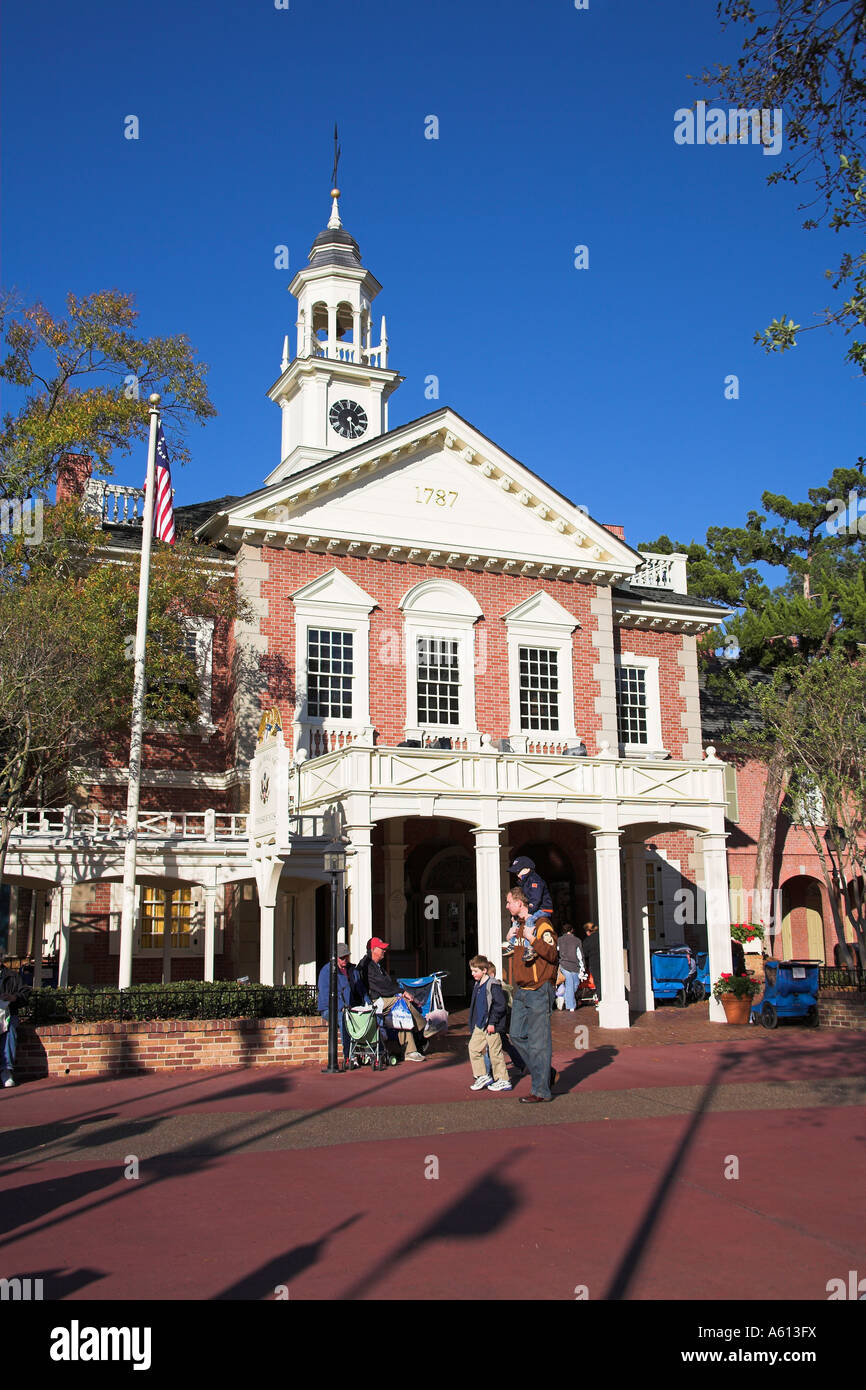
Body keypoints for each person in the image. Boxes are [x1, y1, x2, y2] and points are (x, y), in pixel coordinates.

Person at [506, 887, 559, 1103]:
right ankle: (545, 1072)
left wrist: (533, 939)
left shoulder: (541, 925)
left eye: (509, 901)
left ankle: (541, 1091)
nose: (507, 905)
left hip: (538, 989)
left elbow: (552, 953)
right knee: (516, 1035)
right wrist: (510, 939)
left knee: (539, 1043)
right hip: (522, 990)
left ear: (520, 903)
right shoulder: (519, 927)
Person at [361, 937, 429, 1061]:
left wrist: (400, 992)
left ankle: (410, 1051)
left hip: (383, 999)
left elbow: (387, 985)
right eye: (382, 948)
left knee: (401, 1012)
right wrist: (402, 992)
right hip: (374, 1001)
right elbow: (383, 988)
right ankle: (424, 1028)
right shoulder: (367, 966)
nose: (384, 951)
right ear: (373, 950)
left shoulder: (377, 966)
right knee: (401, 1001)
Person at [467, 956, 512, 1092]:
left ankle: (503, 1079)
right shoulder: (477, 984)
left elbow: (500, 1005)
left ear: (484, 970)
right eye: (472, 971)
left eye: (476, 971)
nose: (473, 974)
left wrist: (492, 1022)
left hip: (491, 1025)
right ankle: (482, 1075)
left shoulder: (493, 985)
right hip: (480, 1025)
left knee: (495, 1052)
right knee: (473, 1048)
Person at [317, 942, 364, 1062]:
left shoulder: (351, 970)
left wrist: (367, 1003)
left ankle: (367, 1052)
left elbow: (360, 990)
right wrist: (341, 1007)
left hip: (349, 1007)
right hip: (331, 1008)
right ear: (335, 957)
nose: (344, 960)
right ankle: (349, 1055)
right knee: (345, 1019)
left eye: (346, 956)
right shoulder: (327, 971)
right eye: (341, 957)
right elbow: (326, 994)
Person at [482, 959, 526, 1080]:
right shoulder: (492, 986)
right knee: (505, 1045)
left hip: (496, 1023)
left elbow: (500, 1006)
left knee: (489, 1047)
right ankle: (521, 1064)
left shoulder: (495, 988)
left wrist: (492, 1022)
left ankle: (487, 1073)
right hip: (499, 1022)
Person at [507, 856, 554, 963]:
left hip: (543, 909)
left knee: (529, 921)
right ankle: (513, 943)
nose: (517, 874)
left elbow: (535, 899)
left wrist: (530, 911)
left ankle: (530, 948)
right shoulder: (524, 882)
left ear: (527, 869)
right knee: (515, 922)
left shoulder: (535, 880)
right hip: (533, 908)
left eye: (518, 871)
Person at [0, 966, 31, 1089]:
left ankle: (6, 1070)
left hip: (8, 1013)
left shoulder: (12, 976)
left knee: (10, 1031)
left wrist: (14, 997)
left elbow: (25, 993)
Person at [557, 924, 585, 1011]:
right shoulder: (577, 940)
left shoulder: (559, 940)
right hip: (574, 965)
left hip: (564, 964)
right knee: (573, 984)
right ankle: (571, 1006)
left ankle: (563, 996)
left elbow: (557, 950)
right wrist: (582, 967)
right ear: (572, 930)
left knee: (571, 985)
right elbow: (579, 954)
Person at [581, 922, 601, 1003]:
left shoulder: (588, 940)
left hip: (594, 962)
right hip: (604, 962)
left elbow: (584, 953)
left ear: (588, 931)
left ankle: (601, 999)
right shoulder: (602, 936)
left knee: (598, 982)